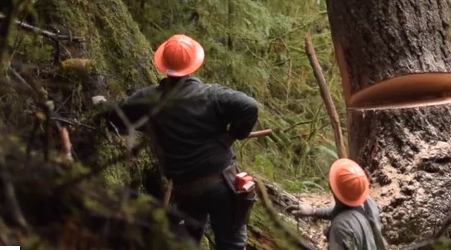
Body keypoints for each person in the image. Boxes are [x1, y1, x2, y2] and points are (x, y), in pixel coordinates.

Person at [94, 34, 259, 250]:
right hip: (221, 185)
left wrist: (100, 103)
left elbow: (115, 113)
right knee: (232, 246)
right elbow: (250, 106)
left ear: (164, 66)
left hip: (187, 191)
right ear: (193, 65)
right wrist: (232, 136)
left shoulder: (149, 100)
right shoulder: (212, 95)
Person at [289, 158, 388, 250]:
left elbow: (345, 217)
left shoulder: (341, 227)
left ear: (332, 187)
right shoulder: (367, 203)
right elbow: (340, 210)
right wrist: (313, 211)